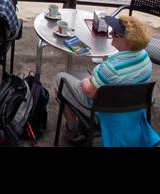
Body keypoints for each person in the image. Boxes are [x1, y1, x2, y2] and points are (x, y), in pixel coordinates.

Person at [58, 14, 153, 144]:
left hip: (104, 111)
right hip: (130, 107)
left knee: (61, 79)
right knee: (78, 74)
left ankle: (72, 128)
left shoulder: (111, 69)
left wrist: (86, 80)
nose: (111, 35)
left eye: (115, 33)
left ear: (128, 40)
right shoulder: (145, 57)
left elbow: (89, 91)